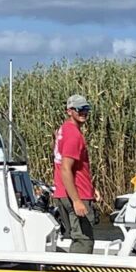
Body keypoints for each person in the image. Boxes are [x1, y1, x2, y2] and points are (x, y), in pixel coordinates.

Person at [53, 94, 101, 254]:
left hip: (65, 192)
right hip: (75, 194)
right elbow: (66, 168)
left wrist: (90, 187)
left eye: (86, 108)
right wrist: (77, 200)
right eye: (79, 109)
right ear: (69, 111)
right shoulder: (74, 135)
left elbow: (75, 167)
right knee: (83, 240)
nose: (83, 112)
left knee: (78, 237)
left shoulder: (63, 130)